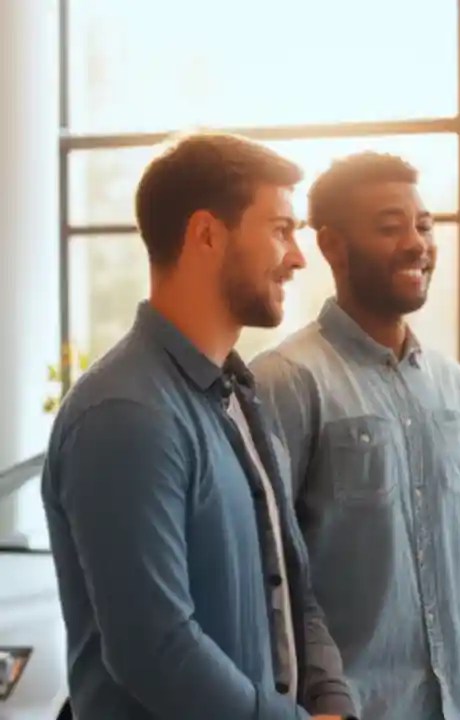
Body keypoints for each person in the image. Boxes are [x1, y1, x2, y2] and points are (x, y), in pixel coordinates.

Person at [41, 132, 357, 720]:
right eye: (281, 229)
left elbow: (291, 585)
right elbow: (154, 649)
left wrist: (331, 700)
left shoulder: (242, 395)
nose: (297, 257)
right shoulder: (125, 416)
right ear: (207, 234)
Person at [250, 152, 460, 719]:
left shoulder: (454, 387)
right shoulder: (287, 382)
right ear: (332, 246)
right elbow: (268, 586)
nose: (417, 244)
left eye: (424, 225)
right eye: (390, 228)